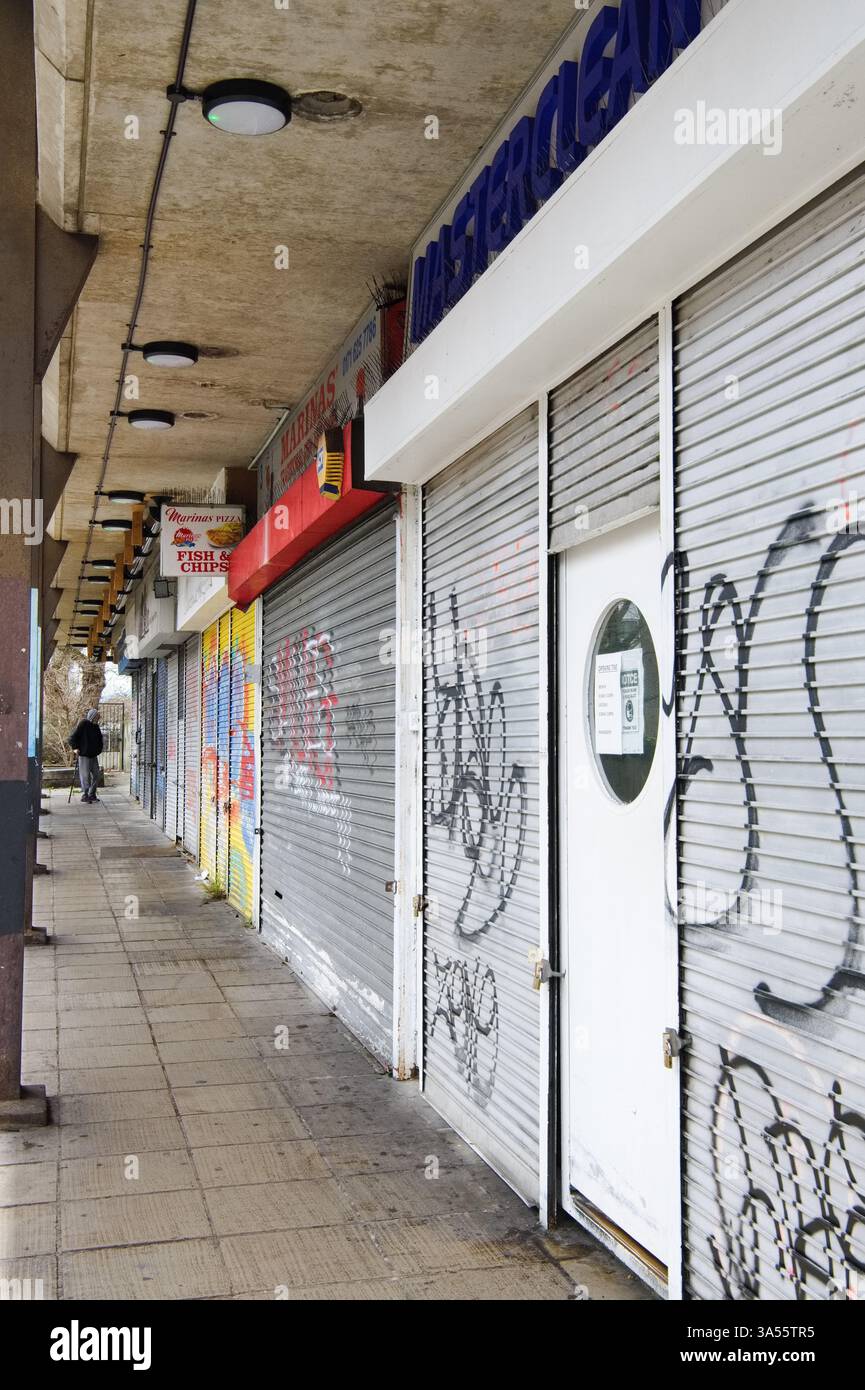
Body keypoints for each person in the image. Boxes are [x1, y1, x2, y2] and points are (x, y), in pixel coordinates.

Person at [69, 707, 103, 804]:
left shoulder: (96, 727)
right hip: (84, 755)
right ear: (93, 716)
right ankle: (85, 794)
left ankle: (92, 794)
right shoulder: (83, 724)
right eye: (97, 717)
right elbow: (72, 738)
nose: (98, 718)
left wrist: (98, 750)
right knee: (85, 776)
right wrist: (75, 748)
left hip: (93, 755)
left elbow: (99, 739)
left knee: (97, 775)